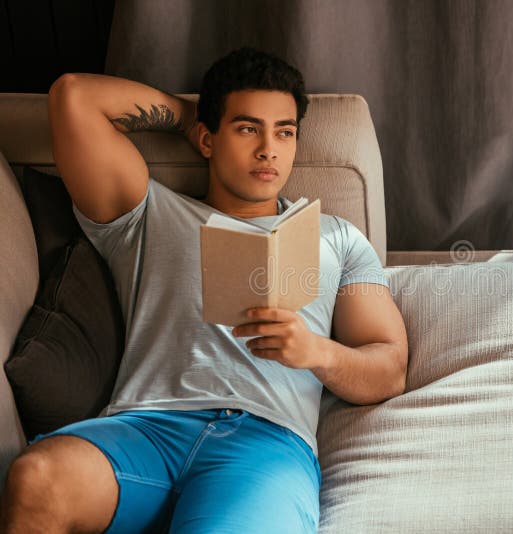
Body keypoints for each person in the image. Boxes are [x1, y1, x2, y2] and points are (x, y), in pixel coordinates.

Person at [0, 47, 408, 533]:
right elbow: (73, 95)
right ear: (207, 139)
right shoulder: (148, 213)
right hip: (144, 428)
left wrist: (316, 352)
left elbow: (390, 366)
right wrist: (195, 116)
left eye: (284, 131)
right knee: (36, 478)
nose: (268, 149)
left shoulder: (337, 237)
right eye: (246, 128)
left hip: (264, 444)